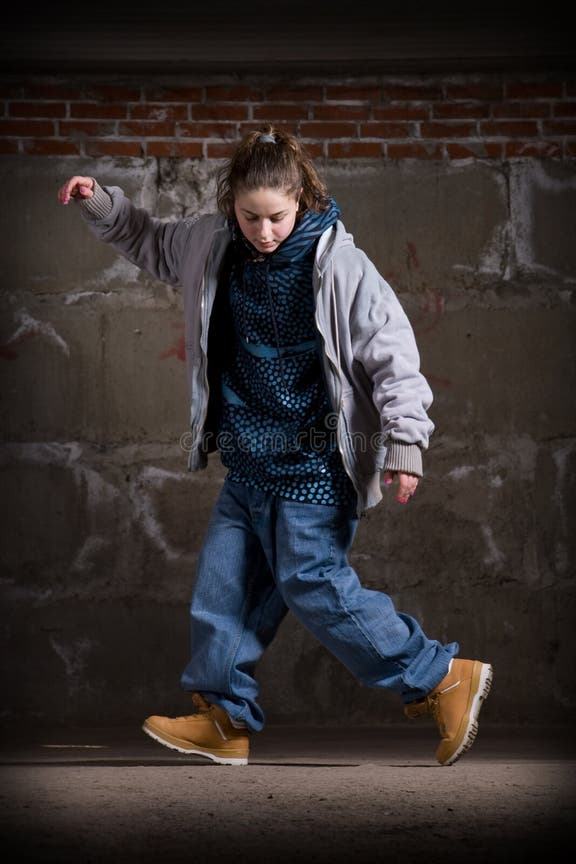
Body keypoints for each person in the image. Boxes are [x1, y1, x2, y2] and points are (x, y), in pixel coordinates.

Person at [57, 124, 492, 768]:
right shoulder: (211, 243)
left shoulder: (341, 264)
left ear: (302, 201)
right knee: (223, 584)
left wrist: (405, 443)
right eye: (250, 217)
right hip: (249, 458)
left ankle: (440, 676)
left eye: (277, 218)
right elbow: (150, 241)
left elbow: (393, 355)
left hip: (316, 462)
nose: (264, 232)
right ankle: (224, 717)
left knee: (311, 581)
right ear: (231, 206)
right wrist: (101, 202)